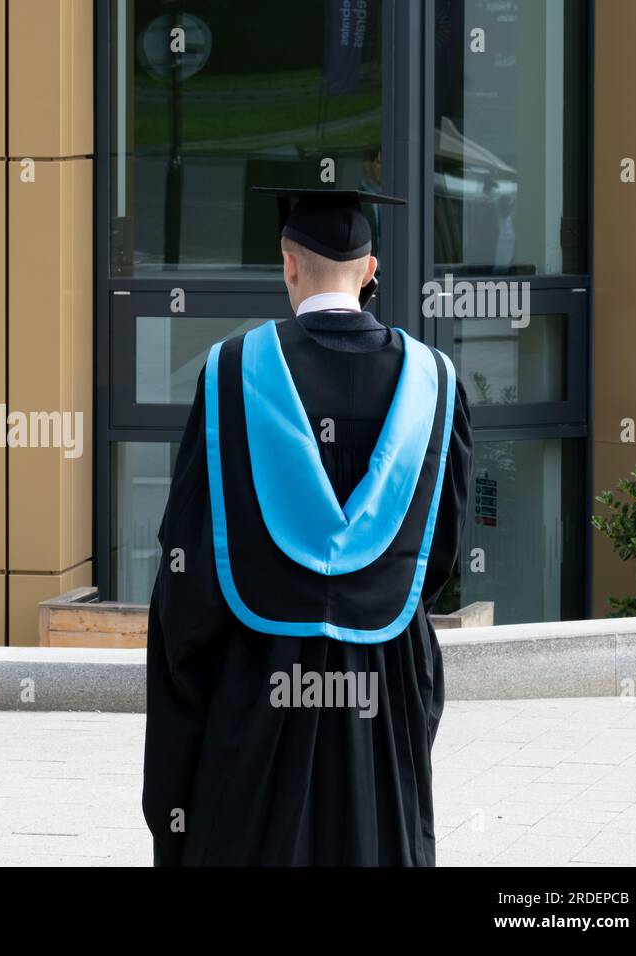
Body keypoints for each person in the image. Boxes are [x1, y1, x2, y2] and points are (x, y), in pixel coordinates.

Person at [142, 188, 473, 865]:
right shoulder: (434, 384)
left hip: (255, 693)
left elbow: (189, 564)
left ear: (288, 266)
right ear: (371, 270)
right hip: (381, 694)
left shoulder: (231, 375)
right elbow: (435, 561)